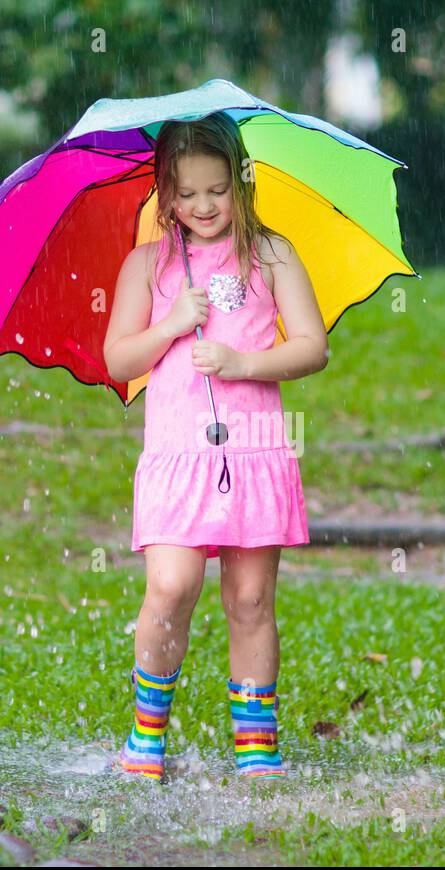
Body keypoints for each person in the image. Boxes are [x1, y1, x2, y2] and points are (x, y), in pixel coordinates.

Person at [102, 110, 328, 782]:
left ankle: (256, 744)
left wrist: (243, 363)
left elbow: (313, 347)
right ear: (165, 193)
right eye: (187, 192)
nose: (203, 205)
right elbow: (119, 358)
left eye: (217, 189)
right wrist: (172, 324)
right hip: (177, 455)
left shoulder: (273, 254)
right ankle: (147, 735)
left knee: (251, 599)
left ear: (242, 184)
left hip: (254, 450)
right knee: (170, 587)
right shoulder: (146, 265)